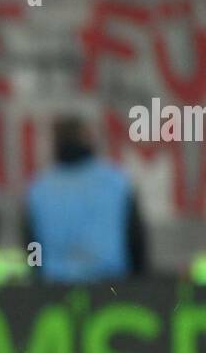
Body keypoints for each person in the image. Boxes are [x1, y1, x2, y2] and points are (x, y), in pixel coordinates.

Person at [25, 117, 147, 282]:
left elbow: (32, 245)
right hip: (113, 286)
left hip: (55, 288)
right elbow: (136, 239)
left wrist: (36, 278)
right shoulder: (116, 182)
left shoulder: (39, 189)